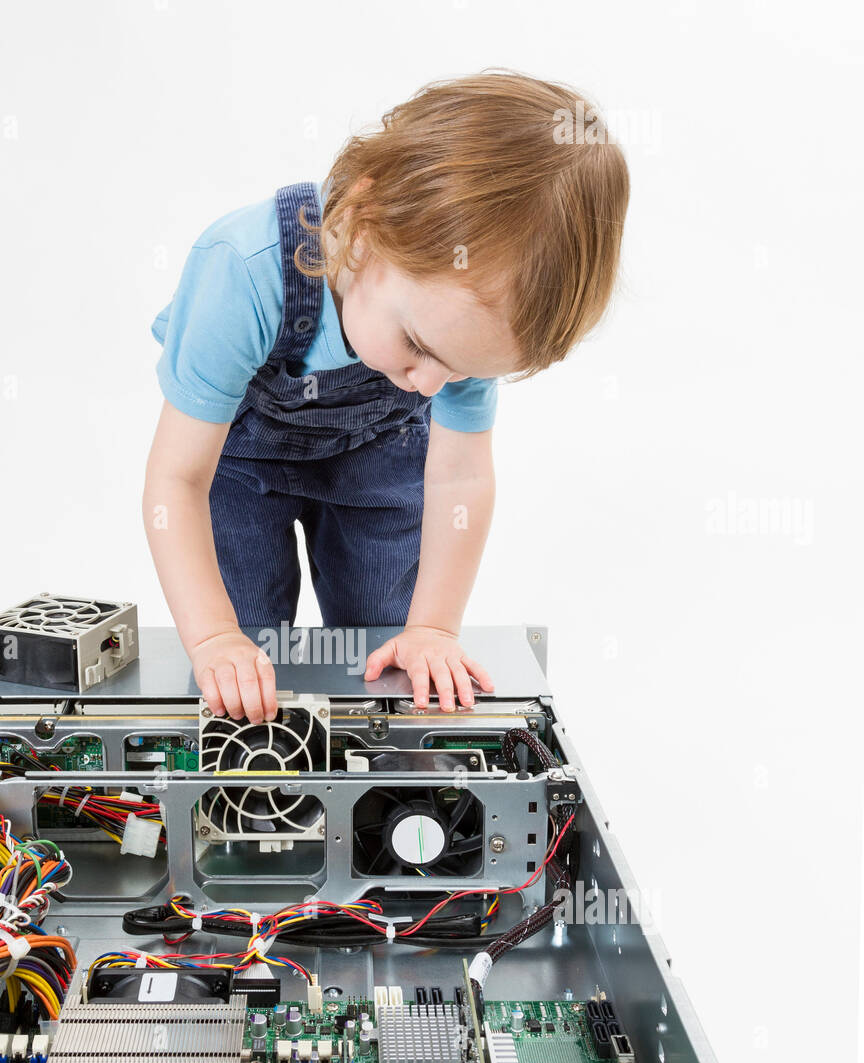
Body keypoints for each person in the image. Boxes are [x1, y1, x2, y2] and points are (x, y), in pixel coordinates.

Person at [144, 71, 629, 722]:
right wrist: (212, 639)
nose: (431, 385)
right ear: (362, 226)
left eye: (459, 373)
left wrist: (433, 628)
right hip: (238, 458)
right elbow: (176, 480)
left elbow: (460, 478)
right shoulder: (242, 271)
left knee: (390, 656)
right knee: (245, 660)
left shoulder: (459, 322)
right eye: (420, 347)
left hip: (380, 451)